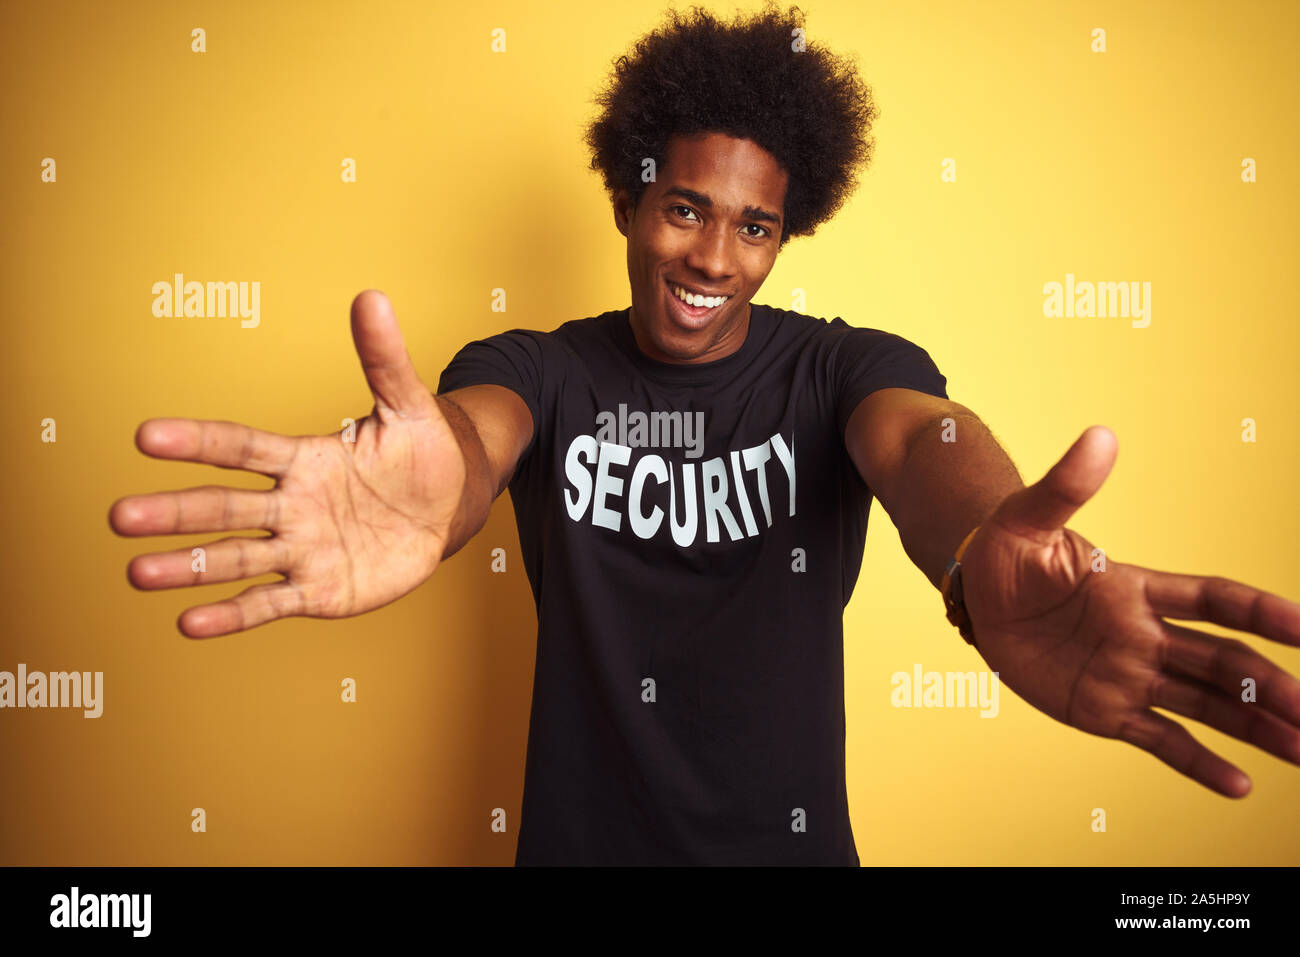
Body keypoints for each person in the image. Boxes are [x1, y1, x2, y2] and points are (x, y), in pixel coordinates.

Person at [109, 4, 1300, 865]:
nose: (713, 259)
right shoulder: (538, 368)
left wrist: (985, 533)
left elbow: (923, 443)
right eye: (684, 209)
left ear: (785, 237)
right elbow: (472, 444)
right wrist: (446, 481)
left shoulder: (841, 368)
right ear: (629, 201)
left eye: (755, 228)